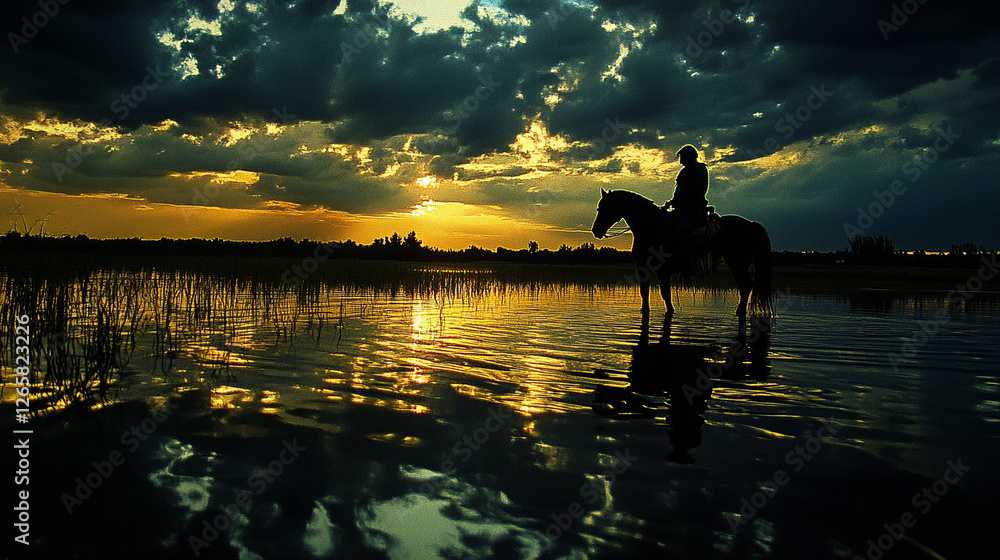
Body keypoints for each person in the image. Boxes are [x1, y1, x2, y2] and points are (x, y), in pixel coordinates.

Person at [663, 144, 709, 274]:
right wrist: (672, 201)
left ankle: (689, 263)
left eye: (682, 157)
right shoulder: (685, 171)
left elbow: (694, 192)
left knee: (680, 230)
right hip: (681, 208)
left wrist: (677, 201)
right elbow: (678, 191)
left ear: (689, 157)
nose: (680, 160)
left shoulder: (699, 170)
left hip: (693, 208)